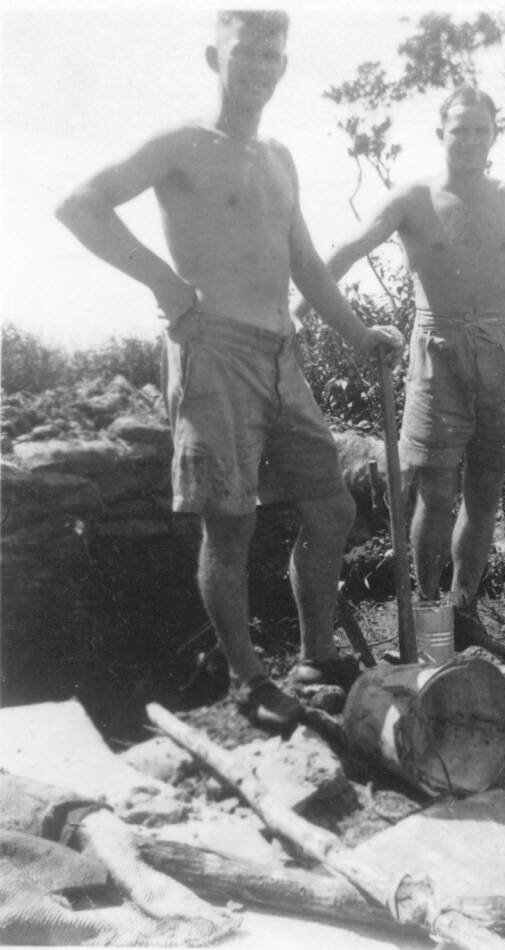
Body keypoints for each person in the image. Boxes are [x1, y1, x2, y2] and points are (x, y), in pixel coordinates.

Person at [55, 9, 402, 731]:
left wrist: (357, 329)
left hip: (283, 355)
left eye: (271, 54)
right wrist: (163, 283)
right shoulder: (182, 143)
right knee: (231, 526)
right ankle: (247, 681)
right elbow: (80, 205)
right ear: (215, 56)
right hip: (214, 351)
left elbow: (304, 263)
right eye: (245, 53)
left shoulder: (278, 155)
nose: (258, 66)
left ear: (283, 64)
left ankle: (312, 656)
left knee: (333, 509)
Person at [293, 84, 505, 644]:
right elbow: (348, 250)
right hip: (438, 350)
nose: (471, 140)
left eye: (482, 130)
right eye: (460, 130)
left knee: (485, 492)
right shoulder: (412, 198)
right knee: (435, 493)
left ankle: (464, 606)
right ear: (441, 134)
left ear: (494, 135)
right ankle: (428, 611)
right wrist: (299, 312)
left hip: (503, 351)